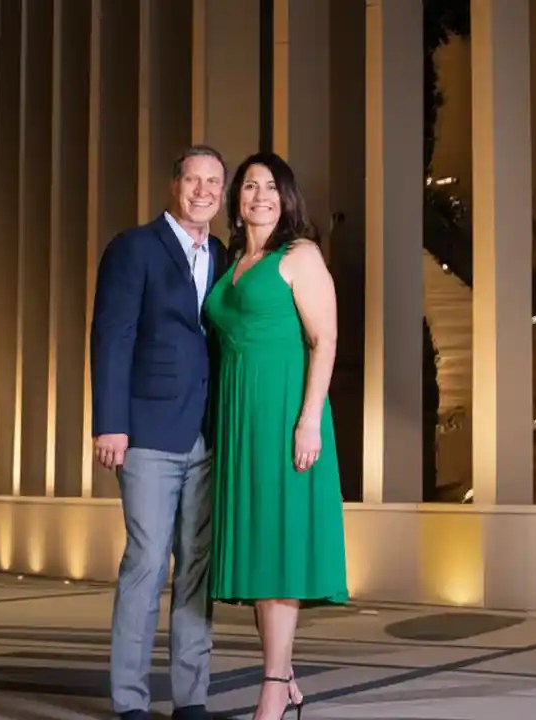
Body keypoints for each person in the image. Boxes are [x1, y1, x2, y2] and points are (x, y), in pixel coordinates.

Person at [203, 152, 349, 720]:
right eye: (248, 186)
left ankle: (271, 686)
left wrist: (309, 418)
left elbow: (326, 339)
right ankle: (282, 675)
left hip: (287, 412)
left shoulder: (300, 254)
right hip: (241, 417)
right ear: (236, 201)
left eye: (270, 186)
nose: (258, 194)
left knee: (280, 550)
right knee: (259, 551)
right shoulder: (234, 259)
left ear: (286, 197)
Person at [91, 145, 228, 720]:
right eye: (193, 180)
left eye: (213, 183)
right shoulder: (134, 247)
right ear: (175, 186)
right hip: (146, 430)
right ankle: (130, 702)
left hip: (207, 430)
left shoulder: (223, 253)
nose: (203, 191)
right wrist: (110, 423)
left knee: (196, 563)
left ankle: (191, 700)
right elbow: (112, 334)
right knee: (146, 562)